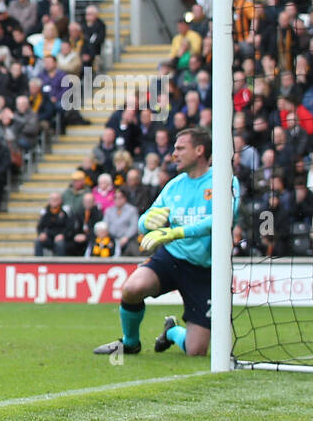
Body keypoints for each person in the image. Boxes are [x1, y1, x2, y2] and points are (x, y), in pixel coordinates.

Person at [94, 128, 238, 358]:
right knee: (132, 288)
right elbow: (146, 220)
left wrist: (176, 232)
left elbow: (222, 218)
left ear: (199, 150)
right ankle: (130, 343)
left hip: (205, 270)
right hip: (172, 258)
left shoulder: (224, 180)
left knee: (196, 350)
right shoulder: (174, 185)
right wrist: (146, 222)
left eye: (180, 148)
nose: (174, 154)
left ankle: (171, 332)